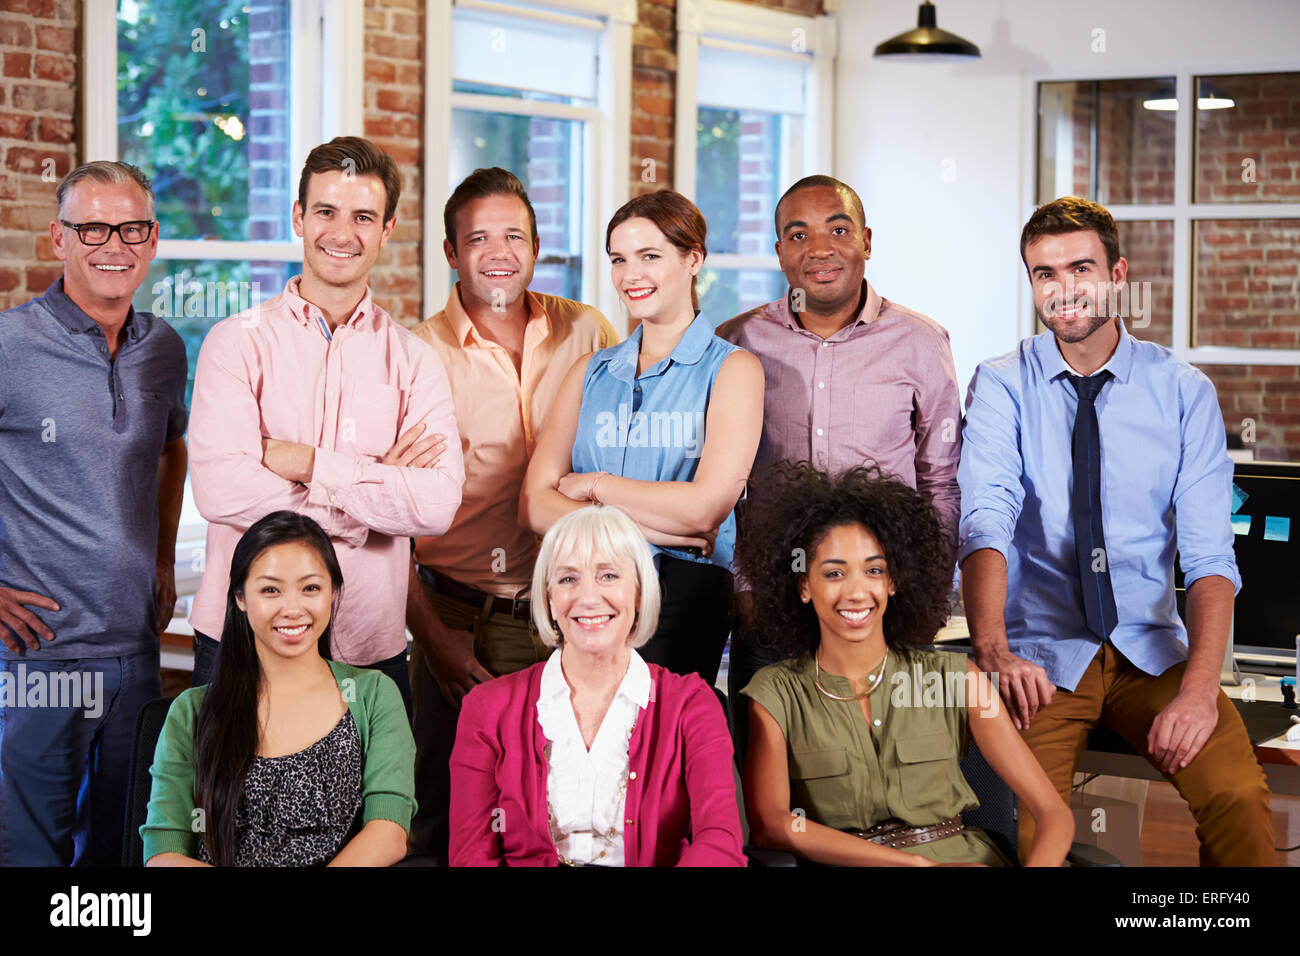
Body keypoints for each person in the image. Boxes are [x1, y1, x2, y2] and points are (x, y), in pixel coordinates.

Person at [958, 195, 1275, 865]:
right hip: (1041, 657)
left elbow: (1210, 557)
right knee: (1025, 833)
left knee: (1239, 798)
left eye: (1080, 268)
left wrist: (1197, 693)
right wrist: (992, 648)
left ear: (1119, 275)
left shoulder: (1182, 391)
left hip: (1151, 650)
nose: (1063, 290)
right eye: (1044, 274)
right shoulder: (1001, 386)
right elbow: (985, 519)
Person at [187, 136, 465, 714]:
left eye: (363, 216)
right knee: (226, 805)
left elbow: (436, 504)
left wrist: (308, 464)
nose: (343, 233)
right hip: (243, 641)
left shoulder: (414, 360)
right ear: (298, 217)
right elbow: (220, 488)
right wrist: (366, 500)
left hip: (369, 644)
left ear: (387, 229)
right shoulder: (235, 344)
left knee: (375, 806)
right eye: (326, 212)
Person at [405, 167, 618, 860]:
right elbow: (386, 527)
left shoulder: (588, 331)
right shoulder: (414, 354)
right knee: (447, 820)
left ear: (535, 246)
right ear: (449, 252)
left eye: (514, 236)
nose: (499, 251)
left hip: (577, 618)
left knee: (572, 814)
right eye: (479, 238)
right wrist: (434, 637)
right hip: (465, 621)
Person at [738, 462, 1074, 866]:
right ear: (804, 586)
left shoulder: (958, 680)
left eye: (874, 570)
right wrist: (911, 865)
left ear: (893, 581)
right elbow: (774, 824)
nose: (857, 591)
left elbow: (1054, 815)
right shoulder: (775, 694)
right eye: (834, 573)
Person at [717, 174, 963, 724]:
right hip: (771, 609)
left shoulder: (920, 342)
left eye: (839, 229)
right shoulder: (737, 342)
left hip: (882, 608)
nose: (820, 248)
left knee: (885, 782)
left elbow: (940, 481)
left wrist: (927, 598)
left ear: (867, 241)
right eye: (798, 235)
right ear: (780, 252)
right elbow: (719, 484)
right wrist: (744, 589)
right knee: (768, 784)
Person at [0, 161, 188, 866]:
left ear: (152, 238)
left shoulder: (163, 348)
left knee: (122, 852)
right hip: (40, 656)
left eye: (132, 227)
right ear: (59, 239)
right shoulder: (11, 345)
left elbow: (173, 452)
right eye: (94, 227)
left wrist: (164, 558)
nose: (115, 243)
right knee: (31, 855)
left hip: (135, 653)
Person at [520, 190, 764, 685]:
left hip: (684, 595)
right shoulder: (590, 371)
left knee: (658, 747)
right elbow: (532, 506)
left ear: (693, 258)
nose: (631, 275)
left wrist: (593, 486)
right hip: (584, 590)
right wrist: (657, 530)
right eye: (619, 259)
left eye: (649, 256)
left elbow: (704, 511)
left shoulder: (734, 370)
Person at [449, 505, 745, 866]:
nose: (588, 598)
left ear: (639, 592)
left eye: (608, 576)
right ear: (549, 598)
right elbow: (470, 856)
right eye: (568, 579)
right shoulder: (486, 707)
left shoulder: (691, 704)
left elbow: (720, 843)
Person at [141, 511, 415, 866]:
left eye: (311, 588)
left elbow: (389, 831)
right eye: (270, 589)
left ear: (332, 592)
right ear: (240, 597)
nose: (292, 608)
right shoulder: (192, 710)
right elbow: (163, 853)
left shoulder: (374, 695)